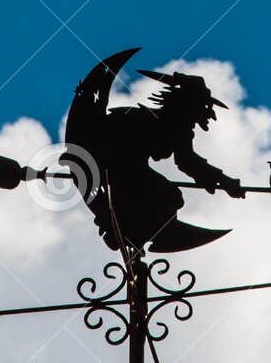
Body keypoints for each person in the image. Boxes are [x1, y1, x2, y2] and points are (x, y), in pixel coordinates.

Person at [87, 69, 244, 251]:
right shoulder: (160, 122)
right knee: (167, 196)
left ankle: (133, 232)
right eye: (201, 107)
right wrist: (225, 182)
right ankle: (128, 231)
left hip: (129, 166)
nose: (206, 113)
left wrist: (225, 182)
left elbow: (188, 162)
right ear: (188, 105)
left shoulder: (180, 128)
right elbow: (188, 162)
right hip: (115, 163)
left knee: (167, 197)